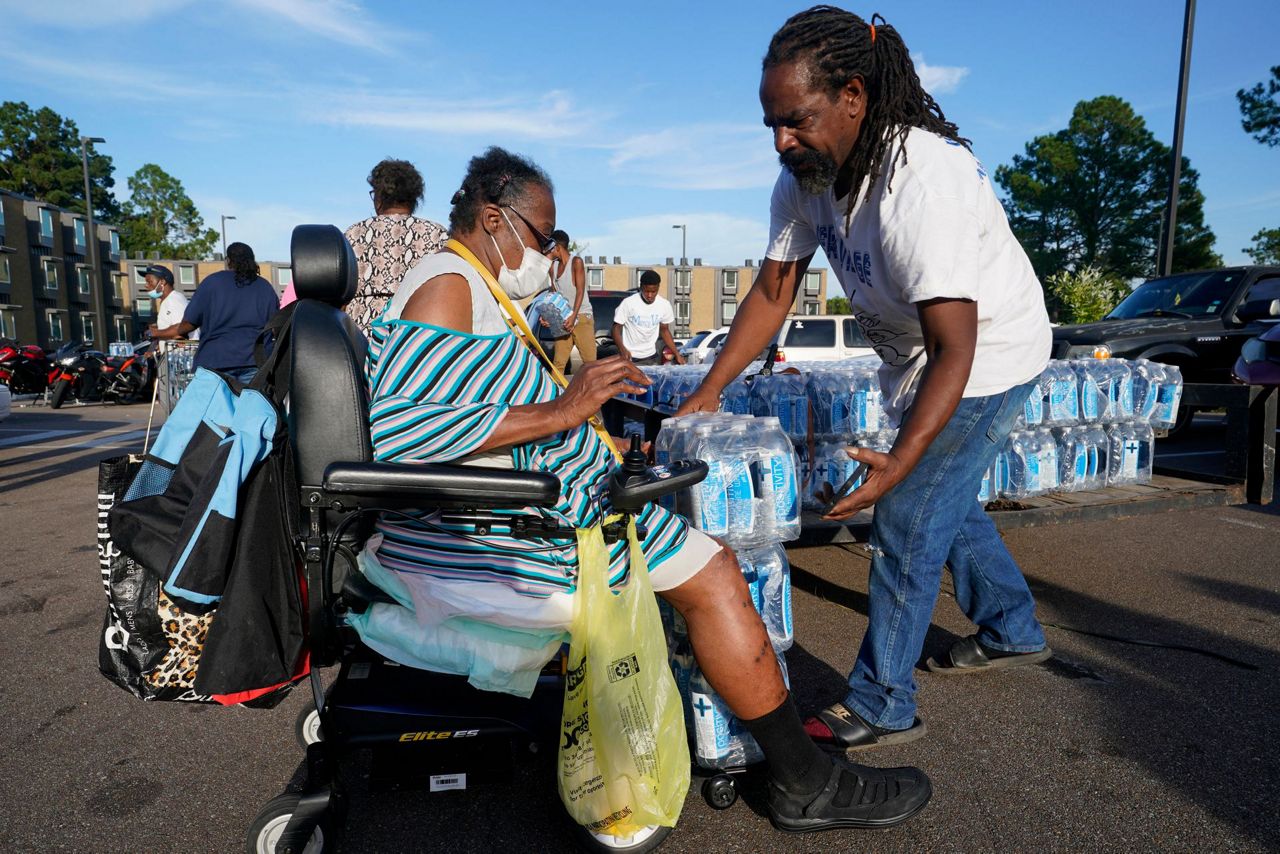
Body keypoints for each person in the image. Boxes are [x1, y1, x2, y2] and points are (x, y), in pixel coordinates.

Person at [359, 146, 930, 836]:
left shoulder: (471, 285)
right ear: (493, 218)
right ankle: (803, 782)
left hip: (520, 511)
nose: (550, 254)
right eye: (543, 237)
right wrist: (562, 413)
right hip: (505, 535)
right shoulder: (450, 285)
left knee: (680, 518)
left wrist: (592, 430)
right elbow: (393, 434)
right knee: (714, 570)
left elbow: (471, 414)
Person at [677, 6, 1053, 752]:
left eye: (798, 119)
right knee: (947, 504)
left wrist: (901, 463)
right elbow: (774, 291)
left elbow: (957, 345)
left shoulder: (921, 180)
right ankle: (1013, 627)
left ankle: (883, 701)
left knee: (909, 512)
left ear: (854, 95)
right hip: (925, 361)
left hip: (991, 354)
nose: (783, 141)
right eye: (771, 125)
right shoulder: (807, 179)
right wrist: (708, 388)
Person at [344, 158, 448, 333]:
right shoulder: (436, 234)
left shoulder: (353, 234)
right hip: (415, 335)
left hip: (360, 339)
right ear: (414, 198)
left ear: (378, 198)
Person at [151, 242, 278, 384]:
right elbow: (276, 327)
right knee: (249, 405)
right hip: (255, 360)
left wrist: (179, 331)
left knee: (216, 406)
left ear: (228, 260)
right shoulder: (265, 287)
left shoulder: (212, 283)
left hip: (216, 361)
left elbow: (190, 322)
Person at [142, 264, 197, 413]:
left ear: (162, 282)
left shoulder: (174, 300)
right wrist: (155, 346)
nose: (146, 286)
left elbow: (182, 329)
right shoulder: (166, 301)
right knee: (174, 406)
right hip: (176, 363)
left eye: (150, 281)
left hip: (183, 362)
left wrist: (155, 333)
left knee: (181, 408)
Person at [545, 230, 597, 373]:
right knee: (558, 363)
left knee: (590, 363)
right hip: (563, 317)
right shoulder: (552, 267)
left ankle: (593, 394)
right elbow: (554, 293)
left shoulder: (576, 262)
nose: (548, 249)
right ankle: (556, 393)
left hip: (581, 316)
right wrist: (548, 315)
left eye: (550, 246)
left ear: (557, 247)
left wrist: (574, 315)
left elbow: (580, 290)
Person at [612, 271, 685, 366]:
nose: (650, 295)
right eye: (646, 291)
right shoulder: (628, 303)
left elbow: (664, 331)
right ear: (641, 287)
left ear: (658, 287)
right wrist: (622, 349)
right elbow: (615, 329)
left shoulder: (664, 305)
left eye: (653, 292)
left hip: (651, 357)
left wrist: (677, 354)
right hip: (630, 357)